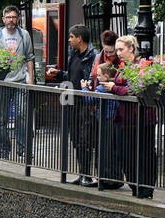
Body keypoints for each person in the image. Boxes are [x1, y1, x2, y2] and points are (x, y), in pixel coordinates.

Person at [45, 25, 99, 185]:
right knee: (76, 140)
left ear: (79, 38)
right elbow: (73, 75)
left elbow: (92, 79)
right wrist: (60, 74)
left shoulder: (93, 55)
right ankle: (83, 174)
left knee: (85, 140)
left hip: (85, 105)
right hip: (72, 103)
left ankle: (87, 176)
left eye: (71, 37)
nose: (69, 40)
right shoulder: (74, 54)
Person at [109, 34, 157, 197]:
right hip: (125, 117)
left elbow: (137, 90)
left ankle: (145, 188)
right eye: (117, 50)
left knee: (145, 154)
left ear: (131, 48)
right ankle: (135, 186)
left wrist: (114, 88)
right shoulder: (122, 66)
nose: (118, 53)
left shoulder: (142, 66)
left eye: (121, 49)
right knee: (125, 155)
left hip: (142, 118)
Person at [0, 6, 36, 160]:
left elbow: (29, 57)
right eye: (8, 17)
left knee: (22, 114)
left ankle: (23, 148)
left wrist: (31, 80)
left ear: (18, 19)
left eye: (14, 17)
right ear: (3, 19)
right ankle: (3, 148)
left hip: (20, 81)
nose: (11, 20)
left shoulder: (24, 35)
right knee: (0, 119)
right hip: (2, 82)